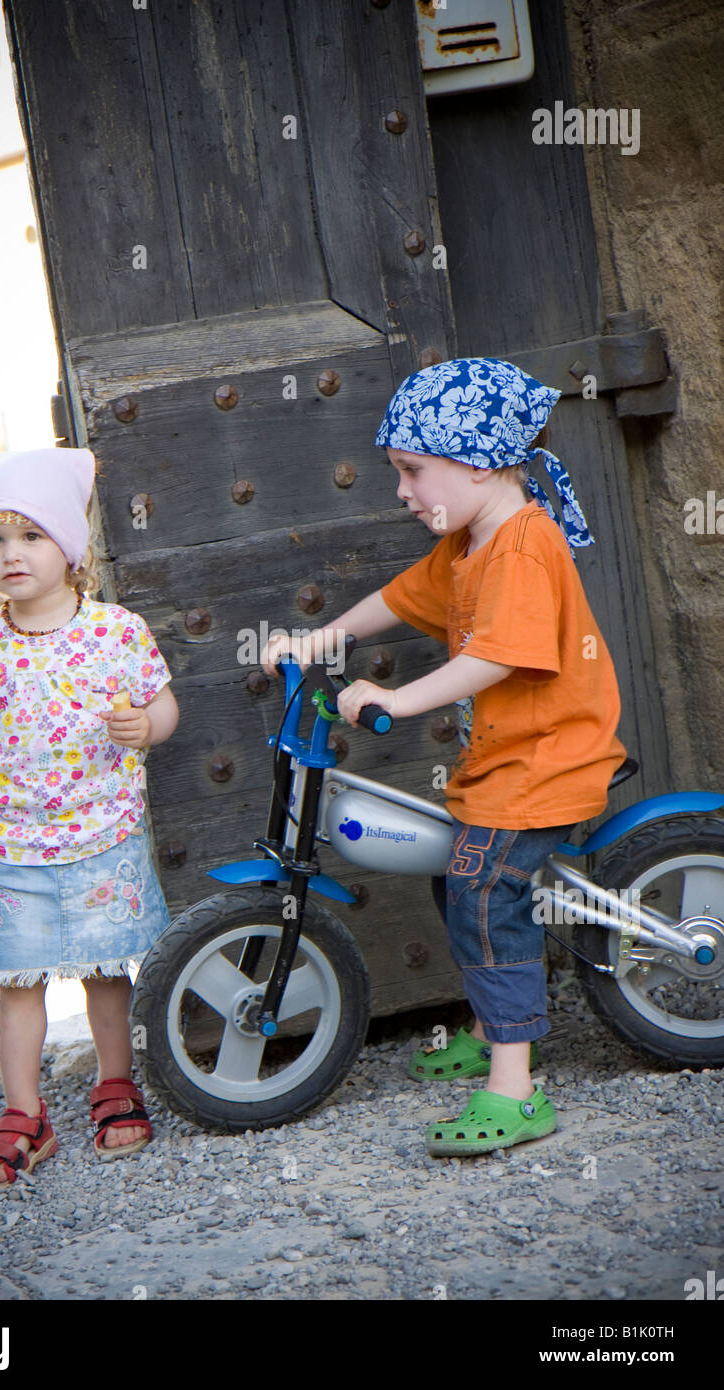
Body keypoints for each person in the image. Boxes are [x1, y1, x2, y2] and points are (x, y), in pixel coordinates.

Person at [263, 357, 626, 1157]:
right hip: (505, 761)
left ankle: (514, 1089)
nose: (401, 492)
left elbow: (498, 655)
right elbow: (398, 599)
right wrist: (320, 641)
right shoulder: (471, 540)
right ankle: (494, 1023)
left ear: (477, 460)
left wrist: (397, 699)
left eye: (412, 471)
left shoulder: (523, 545)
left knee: (483, 887)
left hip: (548, 761)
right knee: (451, 869)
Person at [0, 447, 179, 1188]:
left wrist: (147, 725)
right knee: (19, 979)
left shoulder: (115, 631)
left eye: (31, 534)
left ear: (68, 549)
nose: (12, 554)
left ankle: (115, 1082)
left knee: (107, 972)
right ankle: (25, 1113)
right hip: (10, 843)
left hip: (101, 834)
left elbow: (162, 704)